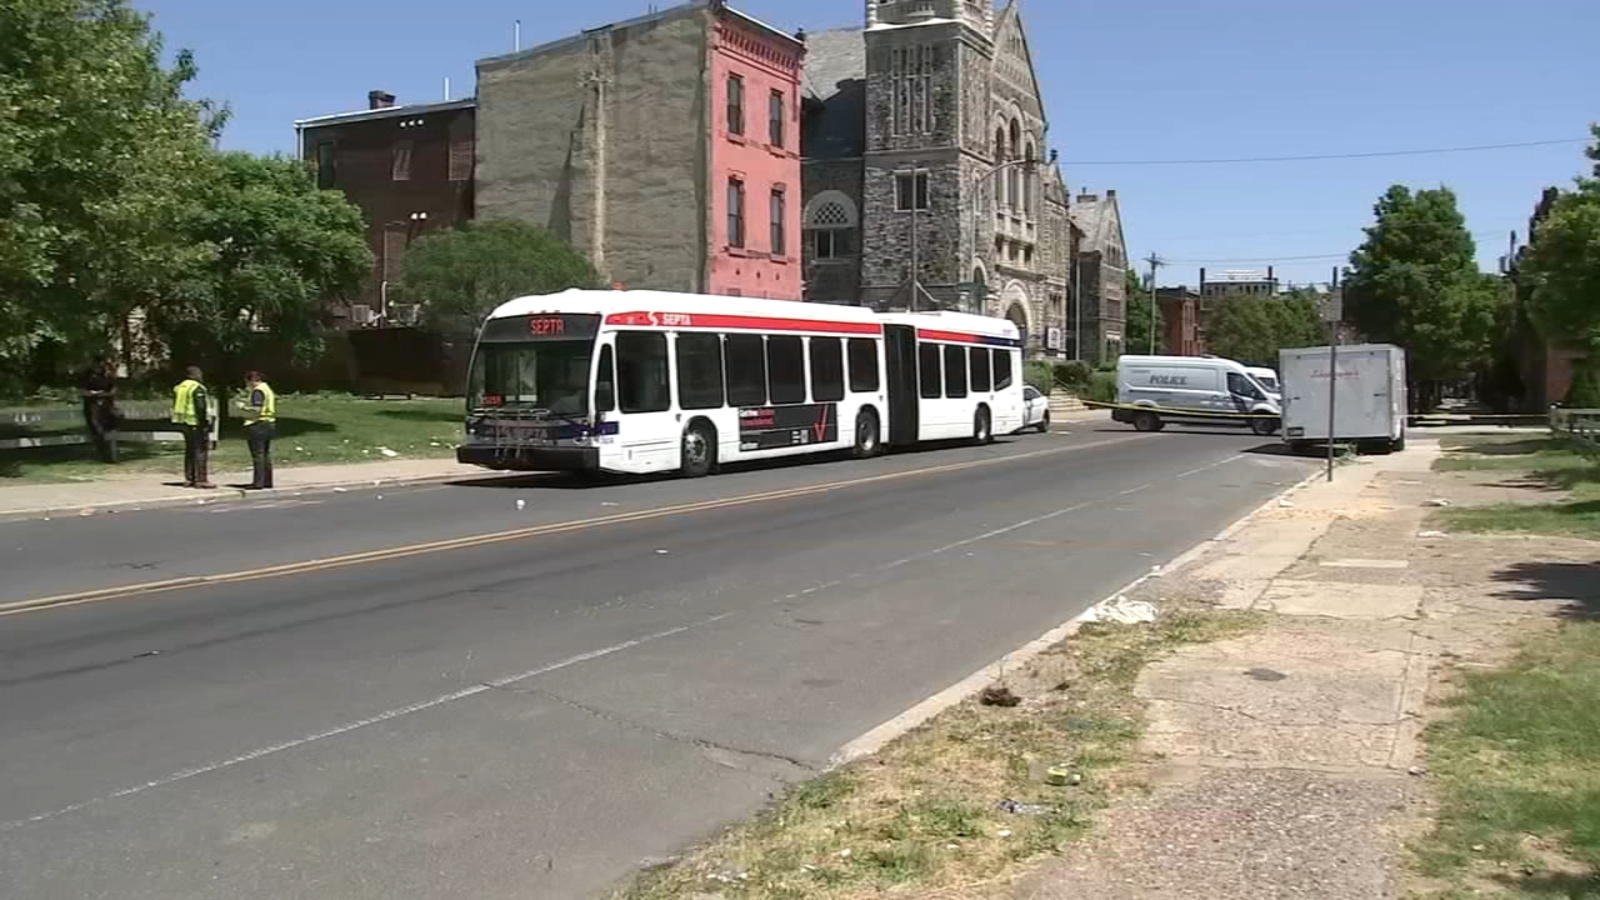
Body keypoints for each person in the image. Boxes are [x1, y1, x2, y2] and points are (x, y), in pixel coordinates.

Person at [172, 366, 215, 489]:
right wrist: (205, 423)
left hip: (183, 423)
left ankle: (189, 478)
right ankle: (201, 479)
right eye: (199, 373)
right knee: (200, 451)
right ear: (195, 374)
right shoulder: (197, 387)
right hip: (196, 423)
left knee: (189, 451)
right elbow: (200, 407)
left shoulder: (180, 387)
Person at [238, 370, 276, 489]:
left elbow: (256, 409)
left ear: (252, 380)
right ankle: (267, 481)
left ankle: (258, 482)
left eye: (248, 382)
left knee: (258, 454)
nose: (247, 385)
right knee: (265, 453)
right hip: (269, 422)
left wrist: (243, 407)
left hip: (258, 424)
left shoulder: (258, 391)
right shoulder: (267, 389)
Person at [77, 357, 119, 463]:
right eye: (97, 365)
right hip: (92, 404)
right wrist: (94, 394)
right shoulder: (86, 376)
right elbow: (82, 391)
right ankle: (104, 455)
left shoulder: (107, 375)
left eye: (100, 365)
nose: (99, 368)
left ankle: (110, 453)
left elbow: (113, 389)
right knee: (97, 429)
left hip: (106, 403)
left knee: (113, 423)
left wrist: (105, 394)